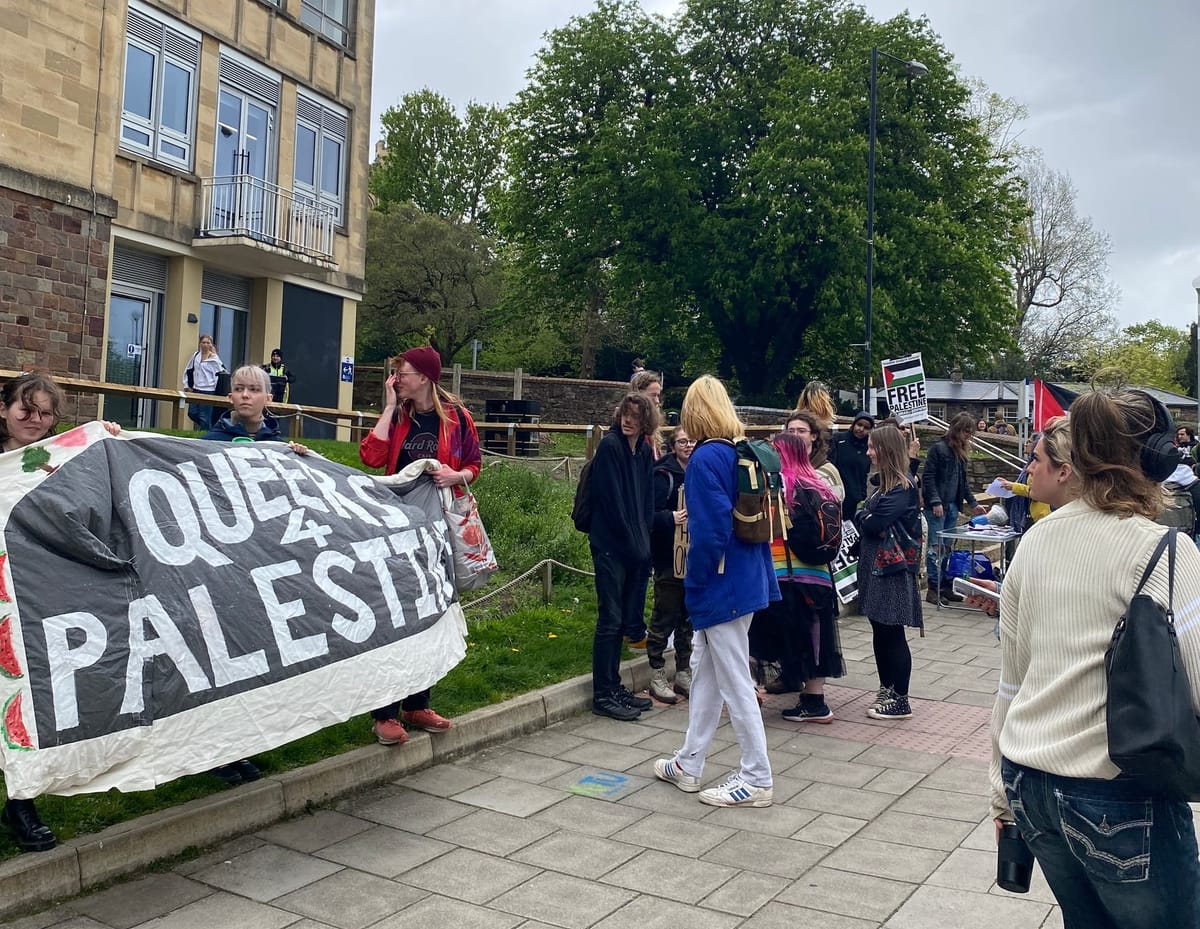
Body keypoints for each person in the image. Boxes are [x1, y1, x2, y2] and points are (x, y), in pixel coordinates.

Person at [984, 389, 1200, 929]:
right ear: (1154, 460)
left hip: (1030, 785)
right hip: (1120, 794)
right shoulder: (1165, 550)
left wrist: (1000, 797)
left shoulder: (1034, 541)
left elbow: (1011, 681)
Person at [0, 372, 120, 852]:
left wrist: (106, 442)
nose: (34, 420)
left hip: (36, 597)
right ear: (4, 409)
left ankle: (21, 802)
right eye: (25, 409)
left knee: (27, 700)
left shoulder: (60, 461)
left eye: (46, 413)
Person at [653, 375, 779, 807]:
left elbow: (708, 533)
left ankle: (757, 775)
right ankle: (690, 761)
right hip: (747, 579)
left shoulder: (706, 458)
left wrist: (695, 582)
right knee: (707, 671)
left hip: (720, 585)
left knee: (733, 680)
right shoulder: (743, 452)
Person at [359, 345, 480, 744]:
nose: (398, 378)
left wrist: (455, 473)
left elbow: (474, 466)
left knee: (430, 614)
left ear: (426, 377)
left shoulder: (458, 419)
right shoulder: (401, 416)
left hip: (436, 531)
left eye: (404, 373)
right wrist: (390, 406)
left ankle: (417, 702)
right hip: (396, 530)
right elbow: (370, 457)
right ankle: (384, 714)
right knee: (394, 616)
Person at [199, 365, 308, 785]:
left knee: (256, 655)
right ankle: (219, 751)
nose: (245, 396)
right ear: (230, 397)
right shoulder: (211, 442)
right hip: (225, 563)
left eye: (253, 390)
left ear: (268, 398)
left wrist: (298, 465)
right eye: (238, 389)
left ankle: (244, 745)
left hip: (263, 562)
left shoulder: (279, 444)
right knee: (226, 656)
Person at [759, 432, 845, 721]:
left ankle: (750, 692)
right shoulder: (821, 485)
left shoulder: (780, 488)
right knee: (816, 639)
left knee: (759, 636)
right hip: (819, 576)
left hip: (784, 573)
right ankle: (814, 701)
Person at [585, 392, 657, 720]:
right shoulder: (611, 447)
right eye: (625, 415)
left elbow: (645, 501)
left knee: (625, 620)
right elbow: (612, 502)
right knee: (610, 619)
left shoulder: (642, 451)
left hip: (634, 546)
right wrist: (634, 544)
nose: (628, 421)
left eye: (636, 417)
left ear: (646, 422)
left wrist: (644, 545)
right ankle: (603, 693)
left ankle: (614, 686)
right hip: (611, 545)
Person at [855, 424, 923, 720]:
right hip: (876, 567)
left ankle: (901, 698)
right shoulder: (885, 484)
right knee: (880, 630)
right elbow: (863, 514)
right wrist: (864, 514)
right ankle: (887, 688)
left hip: (892, 569)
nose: (868, 452)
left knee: (892, 632)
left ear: (886, 450)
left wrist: (864, 515)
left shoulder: (902, 486)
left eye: (873, 447)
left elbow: (872, 522)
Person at [646, 425, 694, 703]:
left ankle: (684, 670)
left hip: (694, 555)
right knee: (664, 613)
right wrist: (670, 518)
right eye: (682, 441)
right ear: (673, 445)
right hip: (667, 555)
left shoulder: (700, 470)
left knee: (687, 616)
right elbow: (647, 514)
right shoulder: (662, 474)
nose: (688, 446)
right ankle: (656, 671)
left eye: (691, 441)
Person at [921, 412, 987, 606]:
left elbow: (962, 483)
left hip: (951, 505)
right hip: (939, 505)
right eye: (965, 431)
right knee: (936, 548)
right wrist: (934, 501)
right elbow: (929, 477)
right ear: (956, 429)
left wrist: (973, 504)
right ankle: (934, 588)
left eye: (970, 432)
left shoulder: (960, 454)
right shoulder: (938, 449)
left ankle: (945, 585)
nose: (968, 435)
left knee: (947, 548)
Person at [786, 410, 843, 503]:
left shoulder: (827, 472)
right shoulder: (780, 467)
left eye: (801, 431)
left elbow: (834, 507)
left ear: (813, 436)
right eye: (791, 431)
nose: (795, 435)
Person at [831, 411, 873, 522]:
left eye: (866, 428)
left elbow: (864, 473)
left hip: (855, 499)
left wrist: (862, 495)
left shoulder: (868, 448)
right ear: (854, 424)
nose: (861, 429)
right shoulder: (838, 439)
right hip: (836, 495)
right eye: (859, 425)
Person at [182, 334, 225, 432]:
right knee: (192, 412)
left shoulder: (214, 359)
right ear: (200, 343)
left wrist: (214, 386)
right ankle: (208, 428)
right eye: (203, 342)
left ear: (211, 345)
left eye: (208, 343)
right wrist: (186, 384)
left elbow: (220, 373)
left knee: (204, 416)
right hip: (196, 388)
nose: (205, 345)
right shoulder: (196, 355)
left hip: (208, 390)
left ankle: (204, 433)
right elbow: (188, 369)